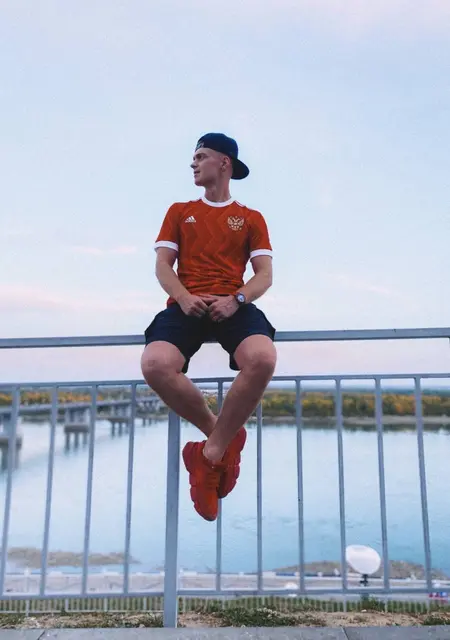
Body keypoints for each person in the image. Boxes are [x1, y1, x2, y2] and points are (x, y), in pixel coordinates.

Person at [141, 133, 276, 522]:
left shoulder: (250, 218)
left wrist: (237, 300)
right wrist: (183, 297)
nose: (193, 163)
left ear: (224, 163)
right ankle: (225, 437)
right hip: (187, 303)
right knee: (155, 364)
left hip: (232, 303)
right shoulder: (180, 211)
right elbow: (163, 266)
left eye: (201, 156)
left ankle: (210, 454)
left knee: (263, 358)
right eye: (194, 157)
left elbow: (264, 275)